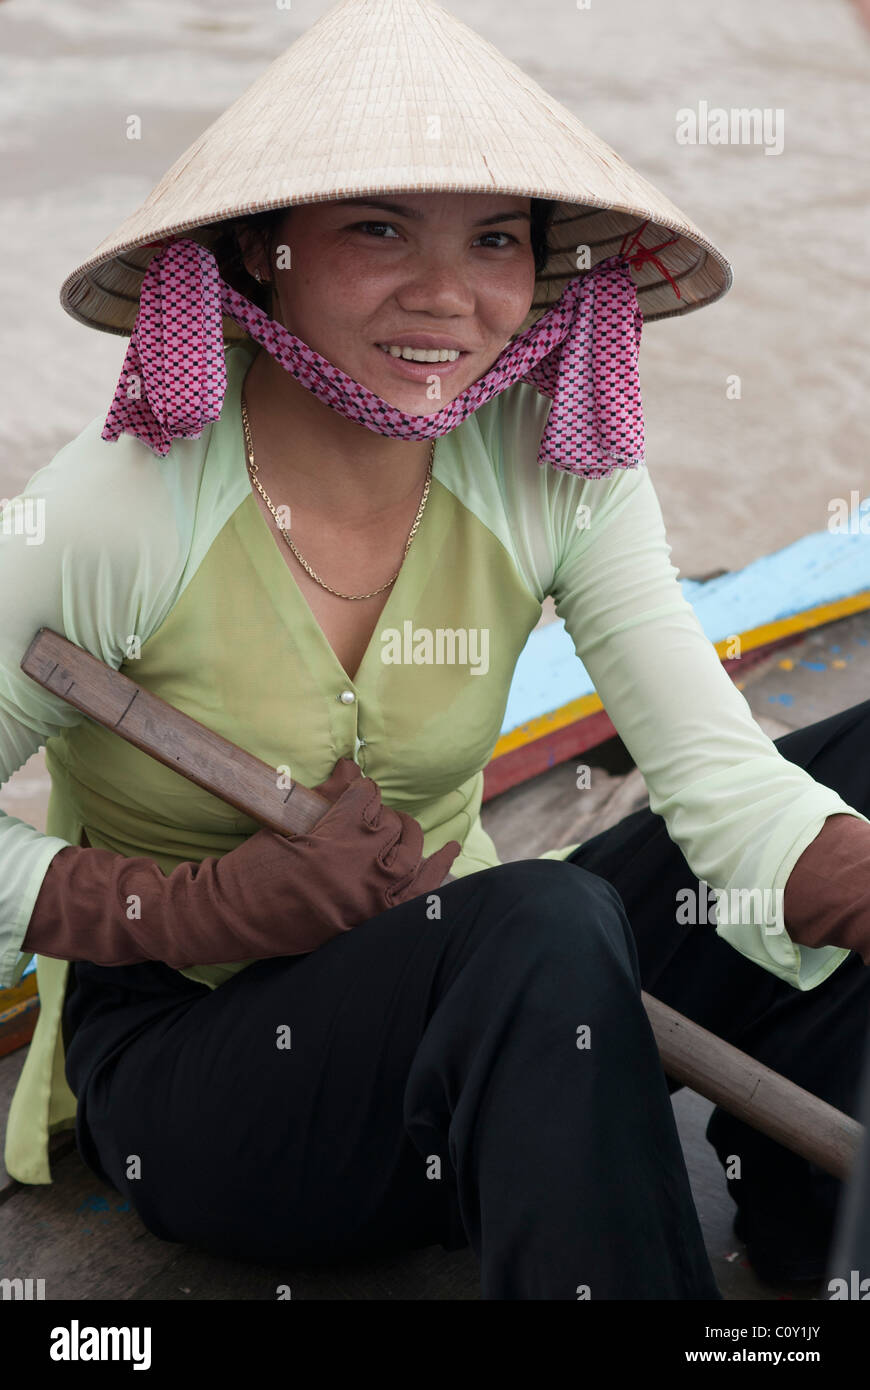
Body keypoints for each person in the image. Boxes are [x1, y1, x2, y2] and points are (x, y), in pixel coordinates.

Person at [2, 0, 869, 1299]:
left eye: (494, 239)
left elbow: (722, 789)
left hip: (481, 973)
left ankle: (813, 1227)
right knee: (540, 919)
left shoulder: (555, 464)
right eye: (377, 227)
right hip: (205, 1063)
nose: (447, 296)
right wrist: (200, 904)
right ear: (260, 249)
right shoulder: (116, 502)